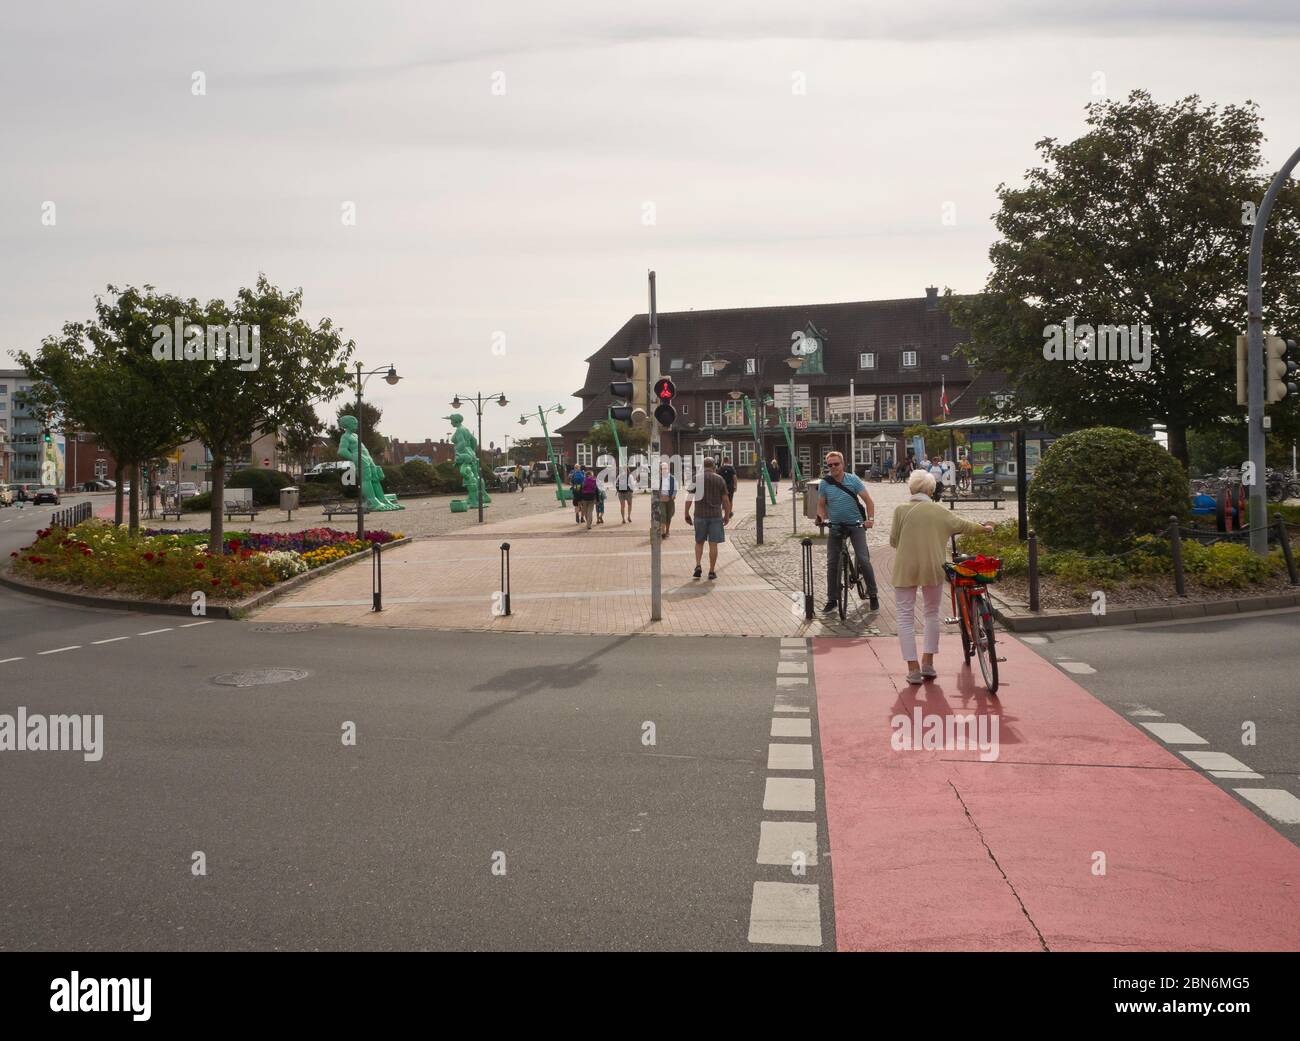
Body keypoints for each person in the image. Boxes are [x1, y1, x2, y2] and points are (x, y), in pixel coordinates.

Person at [890, 469, 996, 685]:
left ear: (911, 488)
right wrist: (985, 529)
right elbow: (964, 525)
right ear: (930, 490)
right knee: (931, 613)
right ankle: (928, 663)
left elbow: (893, 542)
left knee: (904, 617)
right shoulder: (939, 512)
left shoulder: (900, 510)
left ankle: (913, 669)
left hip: (905, 567)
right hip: (933, 567)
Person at [816, 450, 879, 612]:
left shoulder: (853, 480)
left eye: (836, 464)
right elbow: (821, 505)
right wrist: (821, 518)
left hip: (856, 525)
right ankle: (832, 599)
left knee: (863, 559)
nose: (833, 467)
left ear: (843, 464)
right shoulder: (825, 483)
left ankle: (873, 594)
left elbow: (869, 501)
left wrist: (870, 520)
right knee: (832, 563)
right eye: (830, 465)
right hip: (836, 526)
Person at [683, 456, 731, 580]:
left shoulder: (696, 479)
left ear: (703, 467)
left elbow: (689, 497)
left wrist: (686, 513)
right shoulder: (720, 479)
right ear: (714, 467)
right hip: (715, 516)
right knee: (713, 544)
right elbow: (725, 499)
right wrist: (727, 515)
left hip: (700, 515)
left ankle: (698, 565)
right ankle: (711, 571)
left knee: (699, 542)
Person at [657, 459, 678, 539]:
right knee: (663, 515)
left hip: (670, 499)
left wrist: (673, 495)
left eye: (665, 468)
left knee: (669, 516)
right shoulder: (658, 478)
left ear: (668, 469)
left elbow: (675, 488)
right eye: (662, 468)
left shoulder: (672, 478)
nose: (664, 470)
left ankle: (667, 531)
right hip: (661, 500)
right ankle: (662, 532)